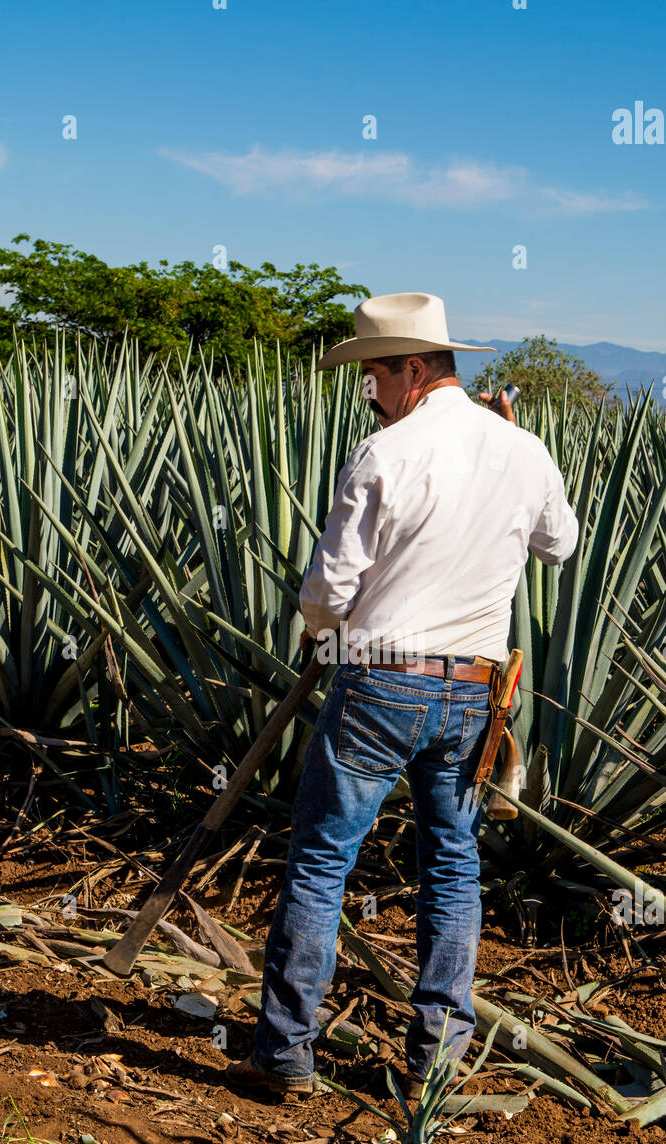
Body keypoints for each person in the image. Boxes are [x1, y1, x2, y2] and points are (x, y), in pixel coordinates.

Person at [227, 292, 579, 1097]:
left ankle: (284, 1054)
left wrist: (321, 636)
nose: (369, 394)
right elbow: (559, 544)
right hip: (475, 695)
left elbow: (328, 588)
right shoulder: (523, 450)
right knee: (452, 867)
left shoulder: (383, 452)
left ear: (414, 370)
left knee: (321, 861)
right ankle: (440, 1061)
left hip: (380, 680)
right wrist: (512, 448)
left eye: (375, 376)